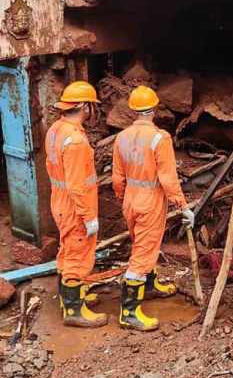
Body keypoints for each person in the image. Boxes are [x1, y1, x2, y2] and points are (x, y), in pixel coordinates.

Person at [112, 86, 194, 331]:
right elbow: (168, 179)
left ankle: (149, 286)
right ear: (155, 109)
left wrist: (122, 199)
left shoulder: (122, 137)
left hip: (130, 199)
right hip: (150, 201)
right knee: (142, 255)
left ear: (134, 110)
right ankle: (129, 313)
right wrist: (183, 206)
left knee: (143, 246)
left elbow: (117, 177)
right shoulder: (160, 138)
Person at [46, 81, 108, 328]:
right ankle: (74, 311)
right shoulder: (76, 141)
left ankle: (68, 298)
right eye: (92, 106)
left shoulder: (55, 130)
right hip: (74, 206)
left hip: (59, 200)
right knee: (78, 255)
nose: (93, 112)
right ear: (84, 107)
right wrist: (88, 216)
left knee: (67, 249)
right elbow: (76, 185)